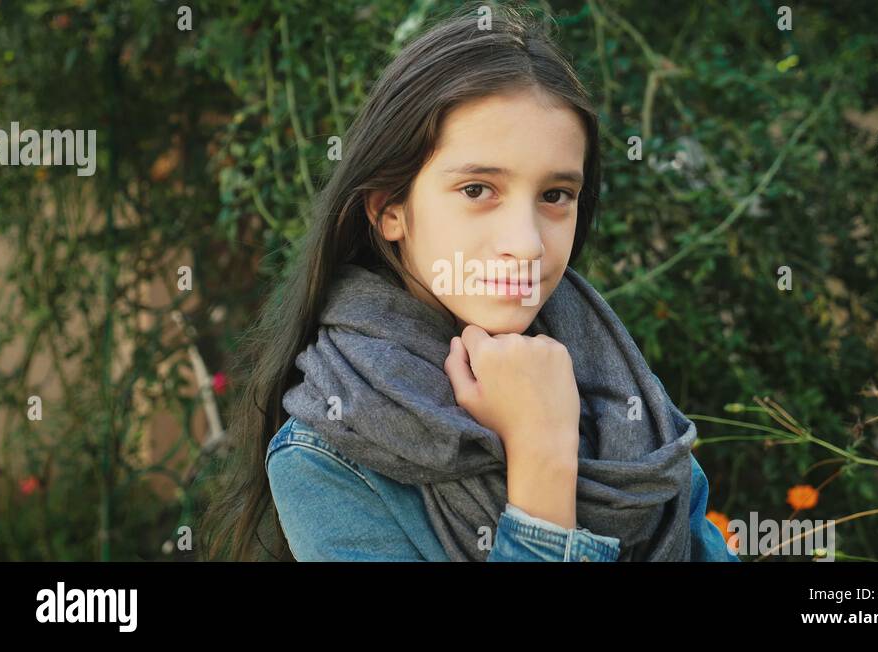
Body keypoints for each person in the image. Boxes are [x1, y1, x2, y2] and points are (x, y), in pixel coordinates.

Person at [202, 3, 739, 563]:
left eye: (556, 196)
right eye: (478, 190)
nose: (527, 244)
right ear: (389, 208)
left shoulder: (615, 384)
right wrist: (541, 457)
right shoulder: (328, 451)